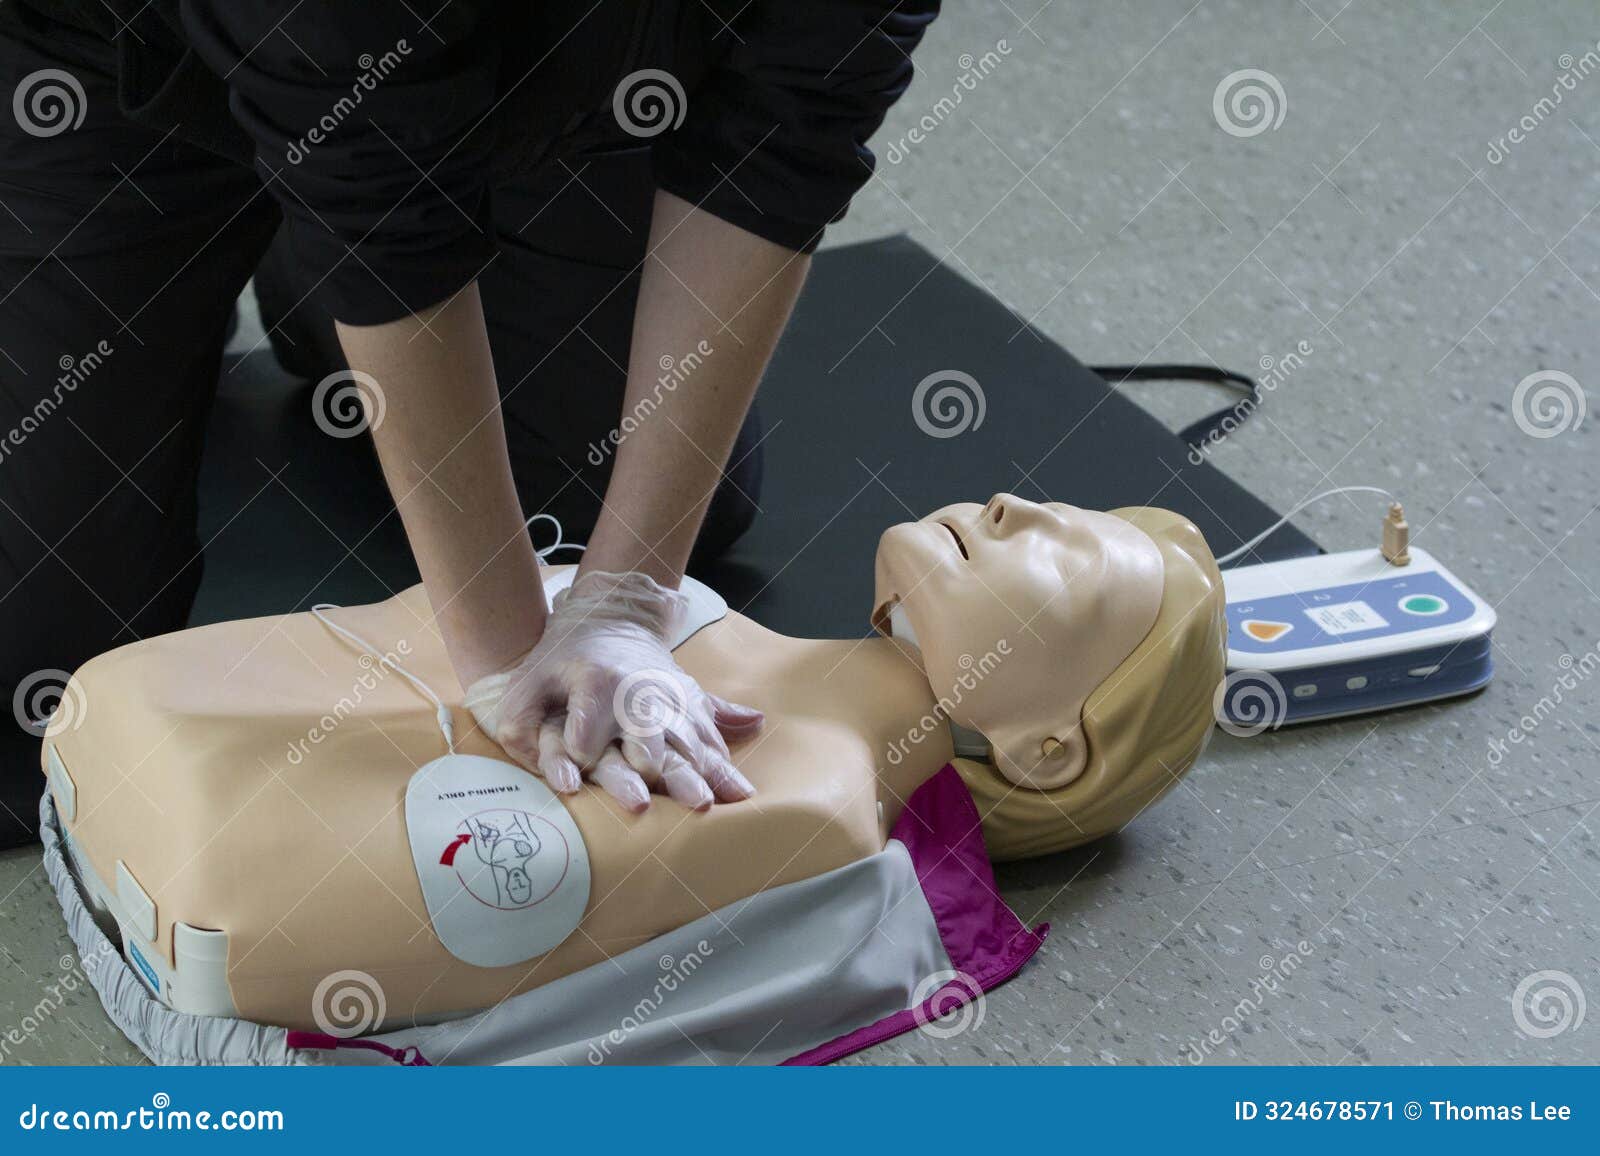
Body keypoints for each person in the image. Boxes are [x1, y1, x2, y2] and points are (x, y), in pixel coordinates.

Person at [0, 1, 941, 847]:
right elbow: (377, 214)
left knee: (610, 484)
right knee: (31, 674)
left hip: (484, 90)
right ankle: (308, 256)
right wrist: (504, 660)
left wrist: (626, 597)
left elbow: (787, 140)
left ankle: (320, 278)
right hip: (91, 66)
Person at [45, 495, 1226, 1028]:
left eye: (1077, 558)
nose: (1019, 500)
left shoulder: (803, 804)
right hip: (164, 780)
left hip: (193, 859)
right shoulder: (696, 609)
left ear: (1047, 749)